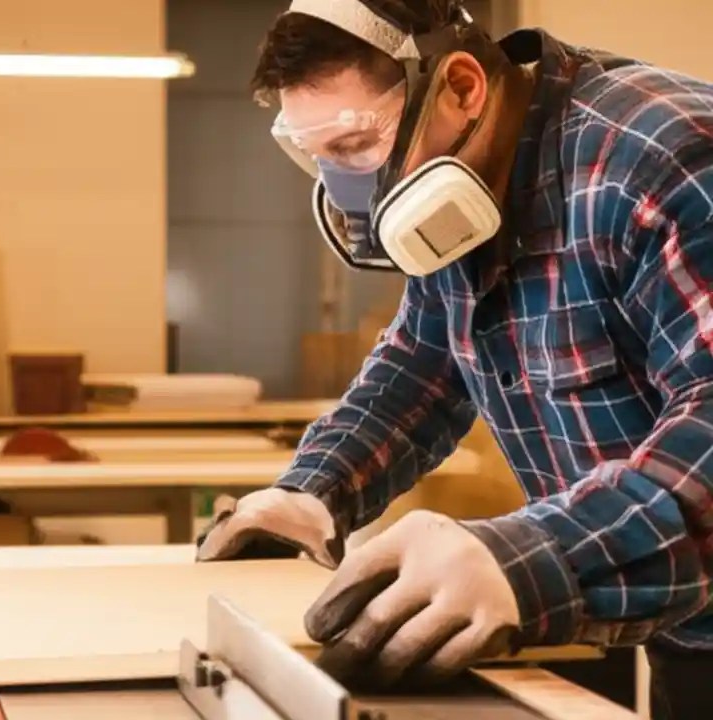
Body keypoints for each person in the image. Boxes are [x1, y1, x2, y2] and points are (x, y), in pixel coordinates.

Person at [193, 1, 713, 718]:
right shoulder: (466, 185)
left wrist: (530, 558)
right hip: (685, 626)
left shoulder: (665, 157)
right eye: (317, 156)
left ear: (462, 86)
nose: (347, 186)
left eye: (353, 146)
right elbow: (423, 361)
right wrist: (313, 494)